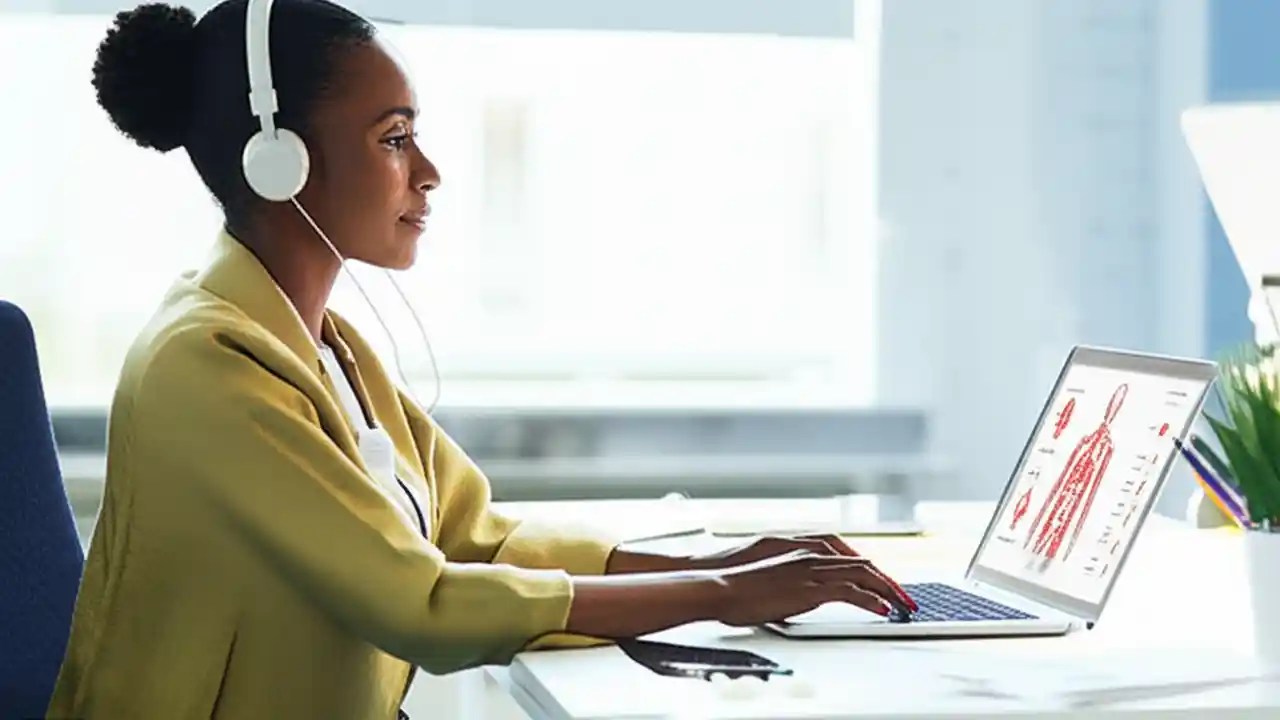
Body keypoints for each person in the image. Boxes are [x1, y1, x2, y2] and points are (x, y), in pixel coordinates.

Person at [48, 1, 917, 717]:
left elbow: (477, 536)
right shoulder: (207, 364)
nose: (427, 172)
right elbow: (420, 602)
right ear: (280, 160)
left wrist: (714, 566)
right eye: (393, 139)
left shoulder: (326, 350)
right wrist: (725, 599)